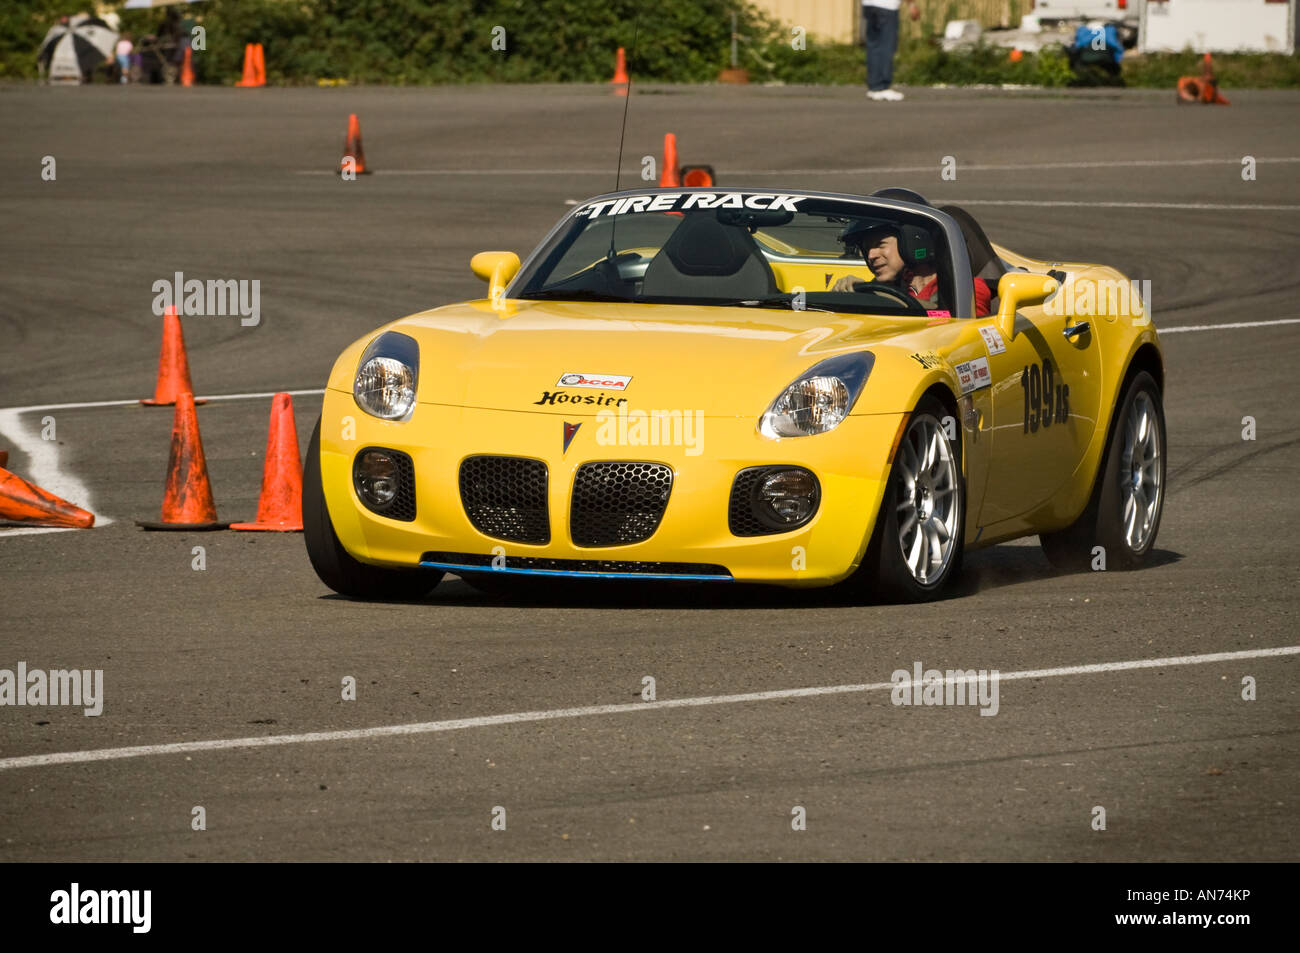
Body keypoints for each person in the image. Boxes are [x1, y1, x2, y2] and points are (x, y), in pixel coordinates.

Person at [834, 222, 992, 316]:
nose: (871, 255)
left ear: (913, 242)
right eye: (867, 249)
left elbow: (959, 326)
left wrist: (879, 297)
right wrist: (847, 296)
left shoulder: (968, 289)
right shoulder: (879, 289)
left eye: (879, 245)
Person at [863, 0, 919, 102]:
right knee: (887, 45)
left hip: (868, 5)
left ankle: (874, 86)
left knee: (874, 45)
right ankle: (883, 86)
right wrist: (912, 5)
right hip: (887, 6)